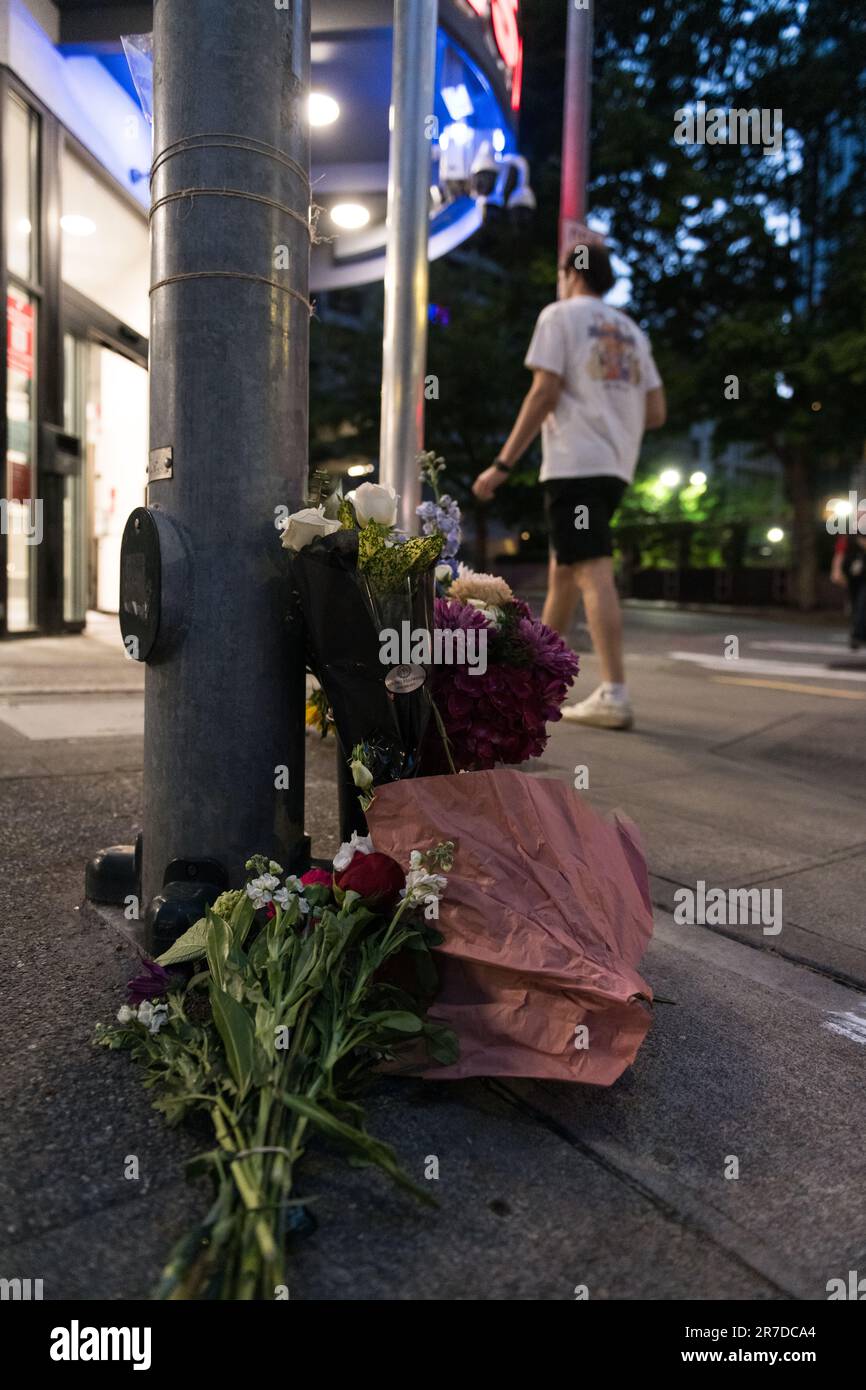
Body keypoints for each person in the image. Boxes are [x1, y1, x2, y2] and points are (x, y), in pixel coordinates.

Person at [472, 240, 666, 729]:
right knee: (566, 569)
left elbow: (544, 391)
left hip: (575, 463)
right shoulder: (632, 331)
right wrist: (614, 423)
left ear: (570, 273)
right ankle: (536, 682)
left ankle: (615, 693)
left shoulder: (559, 316)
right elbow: (657, 412)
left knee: (591, 569)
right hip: (615, 467)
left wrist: (502, 463)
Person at [830, 529, 866, 650]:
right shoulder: (850, 536)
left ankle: (858, 634)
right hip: (855, 575)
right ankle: (858, 632)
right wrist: (836, 570)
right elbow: (840, 551)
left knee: (862, 601)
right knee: (856, 603)